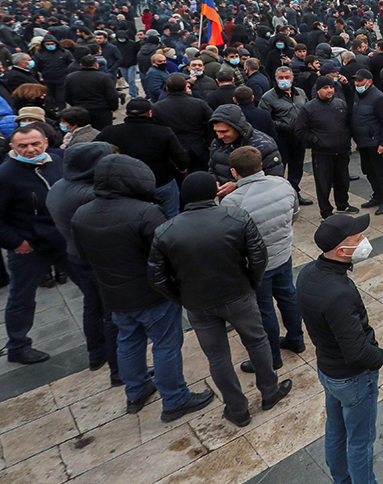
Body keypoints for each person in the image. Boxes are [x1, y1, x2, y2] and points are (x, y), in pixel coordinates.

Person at [72, 154, 215, 421]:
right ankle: (174, 399)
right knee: (166, 345)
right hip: (153, 295)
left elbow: (81, 257)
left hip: (113, 294)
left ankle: (135, 392)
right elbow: (170, 250)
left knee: (128, 341)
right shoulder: (145, 212)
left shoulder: (82, 213)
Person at [150, 171, 292, 427]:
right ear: (214, 191)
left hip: (199, 304)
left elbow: (158, 278)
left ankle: (237, 409)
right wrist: (251, 283)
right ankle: (270, 392)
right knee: (257, 341)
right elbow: (259, 256)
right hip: (238, 294)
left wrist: (182, 298)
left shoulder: (165, 231)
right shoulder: (235, 217)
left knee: (217, 357)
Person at [297, 213, 383, 484]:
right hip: (353, 379)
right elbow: (357, 352)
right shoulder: (339, 292)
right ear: (341, 250)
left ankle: (341, 479)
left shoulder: (308, 273)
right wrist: (379, 357)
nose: (364, 241)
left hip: (328, 369)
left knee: (335, 430)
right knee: (360, 443)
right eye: (358, 239)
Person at [220, 146, 305, 372]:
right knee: (288, 296)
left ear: (234, 172)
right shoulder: (283, 185)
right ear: (261, 165)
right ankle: (297, 340)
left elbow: (232, 239)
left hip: (256, 266)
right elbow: (294, 214)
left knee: (264, 309)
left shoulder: (232, 201)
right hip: (283, 254)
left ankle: (272, 357)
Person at [0, 126, 75, 364]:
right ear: (13, 147)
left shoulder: (58, 160)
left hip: (63, 239)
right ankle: (18, 346)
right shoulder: (5, 175)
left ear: (44, 142)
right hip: (29, 246)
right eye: (23, 146)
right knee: (22, 298)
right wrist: (17, 242)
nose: (30, 149)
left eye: (35, 144)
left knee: (91, 282)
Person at [46, 142, 120, 380]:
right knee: (113, 313)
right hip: (99, 260)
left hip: (76, 255)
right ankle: (119, 367)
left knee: (92, 305)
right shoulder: (91, 194)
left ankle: (96, 354)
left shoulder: (59, 186)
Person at [97, 98, 189, 218]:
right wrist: (182, 168)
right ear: (150, 113)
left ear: (126, 113)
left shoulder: (110, 132)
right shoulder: (163, 132)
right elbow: (180, 157)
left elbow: (94, 151)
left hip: (126, 184)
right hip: (161, 181)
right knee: (170, 214)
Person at [296, 76, 358, 217]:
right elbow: (300, 130)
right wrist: (316, 140)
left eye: (331, 87)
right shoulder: (309, 108)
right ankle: (326, 212)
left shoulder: (340, 104)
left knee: (342, 182)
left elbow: (347, 123)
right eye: (325, 88)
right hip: (322, 154)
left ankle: (343, 205)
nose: (329, 90)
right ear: (318, 90)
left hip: (341, 152)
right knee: (323, 185)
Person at [259, 66, 313, 205]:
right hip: (280, 139)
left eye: (287, 77)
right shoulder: (268, 97)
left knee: (297, 167)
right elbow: (265, 119)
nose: (284, 80)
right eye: (281, 78)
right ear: (276, 79)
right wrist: (283, 127)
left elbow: (307, 110)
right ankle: (278, 198)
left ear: (292, 78)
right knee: (278, 169)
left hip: (299, 138)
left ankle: (294, 193)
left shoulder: (300, 93)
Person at [208, 103, 284, 193]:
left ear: (237, 127)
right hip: (228, 201)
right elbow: (212, 168)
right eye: (216, 131)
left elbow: (274, 180)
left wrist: (237, 185)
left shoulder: (264, 145)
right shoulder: (217, 143)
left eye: (224, 131)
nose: (220, 136)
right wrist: (214, 181)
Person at [350, 69, 383, 215]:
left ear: (369, 82)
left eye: (360, 81)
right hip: (363, 142)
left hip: (375, 143)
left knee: (381, 172)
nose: (357, 83)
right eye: (355, 81)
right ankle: (377, 195)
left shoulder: (377, 98)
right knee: (369, 171)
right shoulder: (358, 94)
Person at [152, 74, 214, 175]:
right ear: (186, 87)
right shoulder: (199, 104)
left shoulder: (157, 108)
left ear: (167, 89)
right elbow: (211, 123)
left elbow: (155, 130)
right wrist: (209, 141)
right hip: (198, 147)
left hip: (172, 150)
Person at [64, 54, 119, 129]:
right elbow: (112, 95)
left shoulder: (71, 77)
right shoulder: (104, 77)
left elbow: (67, 95)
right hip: (101, 110)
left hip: (80, 110)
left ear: (81, 65)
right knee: (103, 132)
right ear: (96, 65)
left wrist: (75, 105)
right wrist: (113, 107)